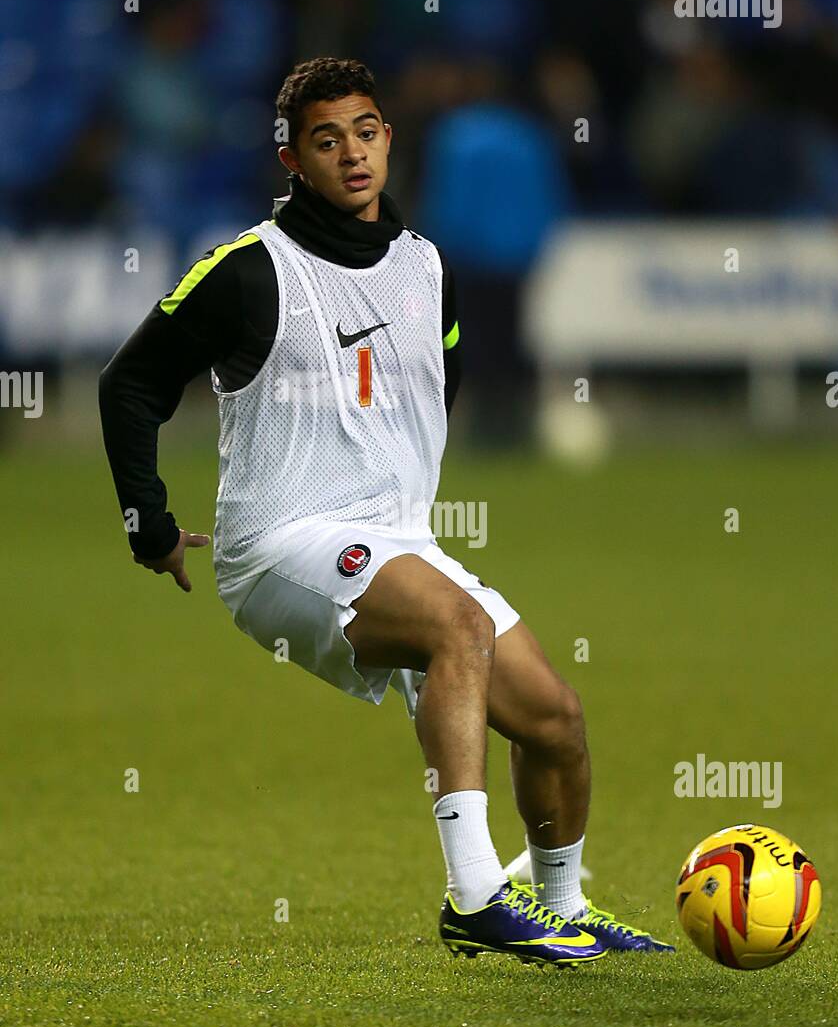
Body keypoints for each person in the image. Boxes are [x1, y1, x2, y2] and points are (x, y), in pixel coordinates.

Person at [99, 56, 673, 966]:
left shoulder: (425, 268)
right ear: (292, 159)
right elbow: (129, 381)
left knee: (556, 717)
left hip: (395, 542)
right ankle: (476, 896)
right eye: (326, 141)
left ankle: (560, 908)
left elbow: (433, 386)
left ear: (389, 139)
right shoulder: (249, 270)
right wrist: (150, 523)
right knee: (459, 625)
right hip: (280, 542)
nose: (352, 154)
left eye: (365, 132)